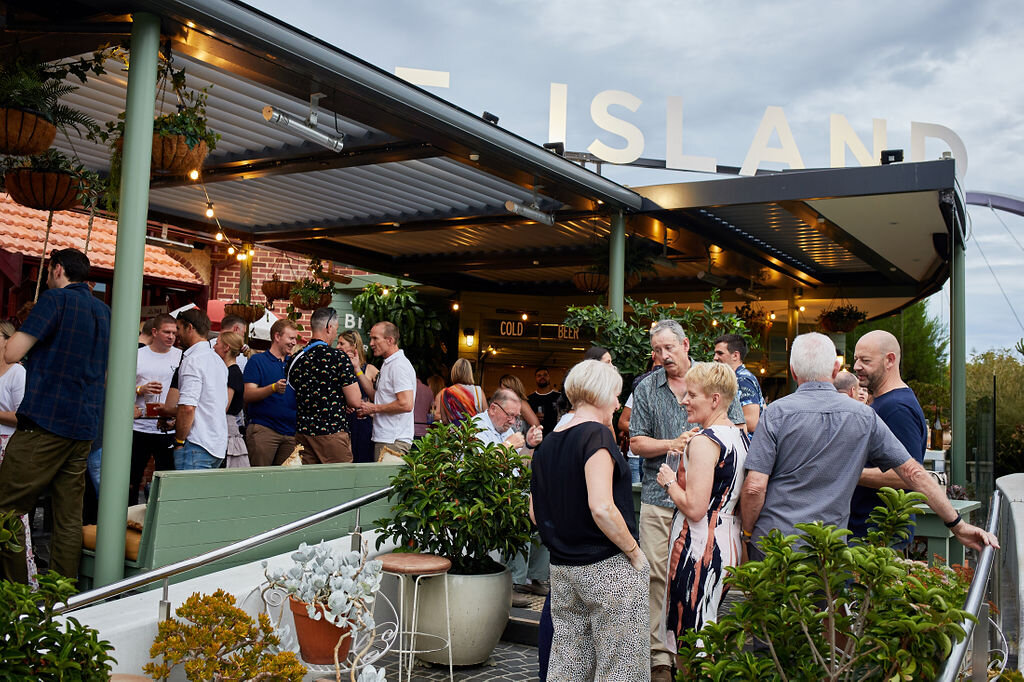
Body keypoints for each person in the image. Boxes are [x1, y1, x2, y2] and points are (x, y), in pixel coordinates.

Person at [740, 332, 997, 562]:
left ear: (793, 372)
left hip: (775, 543)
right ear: (835, 370)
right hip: (829, 546)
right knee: (828, 601)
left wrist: (747, 533)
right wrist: (957, 525)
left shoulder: (775, 413)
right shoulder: (864, 416)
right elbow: (914, 473)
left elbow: (754, 487)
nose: (858, 366)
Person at [629, 319, 744, 682]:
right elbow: (636, 442)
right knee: (657, 578)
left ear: (685, 344)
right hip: (658, 499)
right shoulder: (647, 387)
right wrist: (672, 445)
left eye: (668, 348)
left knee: (692, 588)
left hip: (698, 510)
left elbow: (736, 429)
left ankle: (690, 655)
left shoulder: (712, 381)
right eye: (656, 350)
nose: (662, 355)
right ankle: (660, 657)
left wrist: (703, 447)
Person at [531, 359, 649, 681]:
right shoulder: (596, 435)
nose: (618, 403)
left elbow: (534, 512)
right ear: (600, 394)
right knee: (621, 667)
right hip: (607, 565)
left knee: (568, 664)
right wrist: (635, 553)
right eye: (615, 394)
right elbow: (601, 507)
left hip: (562, 567)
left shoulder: (548, 442)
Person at [0, 248, 110, 583]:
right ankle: (59, 596)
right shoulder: (103, 310)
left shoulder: (54, 300)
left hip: (45, 421)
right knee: (68, 519)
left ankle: (19, 593)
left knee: (5, 508)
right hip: (84, 425)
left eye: (49, 271)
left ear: (57, 269)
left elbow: (12, 352)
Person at [654, 362, 748, 646]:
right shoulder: (739, 436)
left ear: (715, 399)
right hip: (727, 541)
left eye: (692, 395)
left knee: (689, 642)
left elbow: (695, 509)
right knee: (705, 632)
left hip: (698, 547)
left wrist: (669, 482)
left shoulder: (705, 441)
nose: (684, 401)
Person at [850, 330, 928, 543]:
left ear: (890, 360)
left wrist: (849, 472)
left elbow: (908, 475)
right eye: (856, 359)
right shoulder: (885, 402)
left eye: (865, 360)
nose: (857, 366)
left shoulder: (896, 408)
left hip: (881, 534)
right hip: (869, 529)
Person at [471, 388, 545, 606]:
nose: (513, 421)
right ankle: (511, 584)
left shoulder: (506, 429)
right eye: (510, 415)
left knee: (544, 508)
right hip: (482, 495)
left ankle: (533, 577)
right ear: (494, 408)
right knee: (521, 513)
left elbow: (521, 468)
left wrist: (529, 446)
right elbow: (481, 467)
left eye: (516, 416)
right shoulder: (477, 427)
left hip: (508, 491)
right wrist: (508, 445)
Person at [287, 308, 362, 464]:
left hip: (303, 434)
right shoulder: (338, 357)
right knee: (339, 478)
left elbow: (291, 399)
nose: (335, 334)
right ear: (329, 327)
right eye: (335, 329)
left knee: (310, 479)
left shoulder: (295, 359)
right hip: (332, 433)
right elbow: (355, 401)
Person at [130, 313, 181, 505]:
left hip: (167, 427)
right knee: (132, 478)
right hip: (139, 426)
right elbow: (120, 386)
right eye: (166, 332)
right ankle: (128, 516)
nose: (171, 336)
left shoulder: (180, 357)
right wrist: (140, 389)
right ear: (154, 332)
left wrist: (177, 415)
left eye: (174, 333)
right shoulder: (138, 355)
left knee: (166, 480)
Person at [0, 321, 35, 586]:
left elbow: (24, 416)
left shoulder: (17, 373)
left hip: (8, 447)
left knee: (11, 512)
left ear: (7, 339)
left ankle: (22, 581)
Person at [174, 308, 228, 470]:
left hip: (197, 444)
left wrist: (179, 441)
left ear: (189, 328)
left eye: (178, 328)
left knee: (185, 488)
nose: (176, 334)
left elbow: (188, 407)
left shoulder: (193, 360)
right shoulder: (218, 360)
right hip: (216, 444)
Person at [356, 321, 416, 459]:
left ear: (390, 340)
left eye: (375, 338)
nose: (371, 343)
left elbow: (406, 404)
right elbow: (378, 397)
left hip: (393, 440)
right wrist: (357, 370)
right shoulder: (389, 363)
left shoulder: (398, 366)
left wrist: (374, 408)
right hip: (387, 439)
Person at [243, 319, 298, 466]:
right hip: (265, 430)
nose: (294, 342)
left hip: (291, 433)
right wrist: (273, 388)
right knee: (260, 477)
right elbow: (247, 394)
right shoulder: (257, 361)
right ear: (277, 336)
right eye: (291, 338)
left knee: (286, 479)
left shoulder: (294, 364)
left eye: (295, 339)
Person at [713, 333, 766, 432]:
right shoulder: (736, 378)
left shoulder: (742, 380)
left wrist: (714, 421)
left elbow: (752, 422)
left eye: (720, 353)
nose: (715, 357)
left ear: (735, 355)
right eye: (715, 353)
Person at [339, 329, 377, 463]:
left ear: (353, 345)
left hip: (363, 425)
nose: (337, 347)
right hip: (343, 424)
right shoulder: (339, 368)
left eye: (342, 343)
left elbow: (381, 396)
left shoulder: (370, 369)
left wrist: (372, 409)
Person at [213, 331, 248, 467]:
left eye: (217, 343)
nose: (214, 347)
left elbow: (224, 406)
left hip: (226, 430)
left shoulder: (232, 373)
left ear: (226, 347)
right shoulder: (227, 371)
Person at [435, 358, 486, 426]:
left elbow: (444, 420)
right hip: (474, 430)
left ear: (454, 372)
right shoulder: (478, 390)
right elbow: (486, 415)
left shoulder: (445, 392)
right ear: (470, 373)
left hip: (454, 431)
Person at [528, 366, 561, 435]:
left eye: (545, 375)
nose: (542, 377)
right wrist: (533, 417)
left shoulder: (559, 396)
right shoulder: (529, 399)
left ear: (549, 377)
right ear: (535, 379)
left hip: (557, 435)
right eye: (539, 376)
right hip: (537, 437)